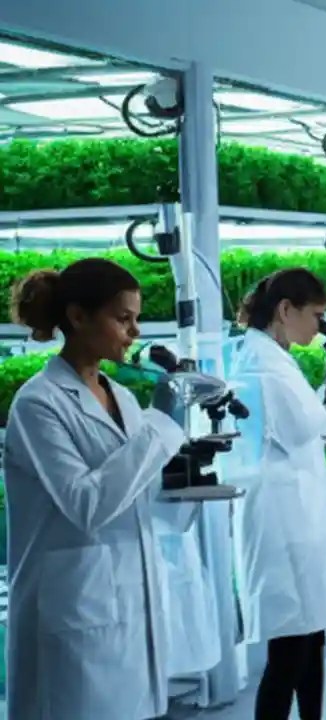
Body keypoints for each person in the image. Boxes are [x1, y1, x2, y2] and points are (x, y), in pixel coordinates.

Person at [3, 258, 188, 719]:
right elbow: (86, 504)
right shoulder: (38, 403)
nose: (134, 332)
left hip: (128, 605)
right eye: (123, 319)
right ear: (78, 316)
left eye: (136, 319)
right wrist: (162, 426)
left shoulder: (122, 396)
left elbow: (136, 489)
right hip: (73, 611)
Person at [226, 268, 326, 720]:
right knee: (290, 652)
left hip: (299, 520)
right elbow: (305, 426)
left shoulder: (275, 358)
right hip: (282, 523)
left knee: (311, 639)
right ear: (286, 310)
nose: (319, 326)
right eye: (315, 315)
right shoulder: (264, 366)